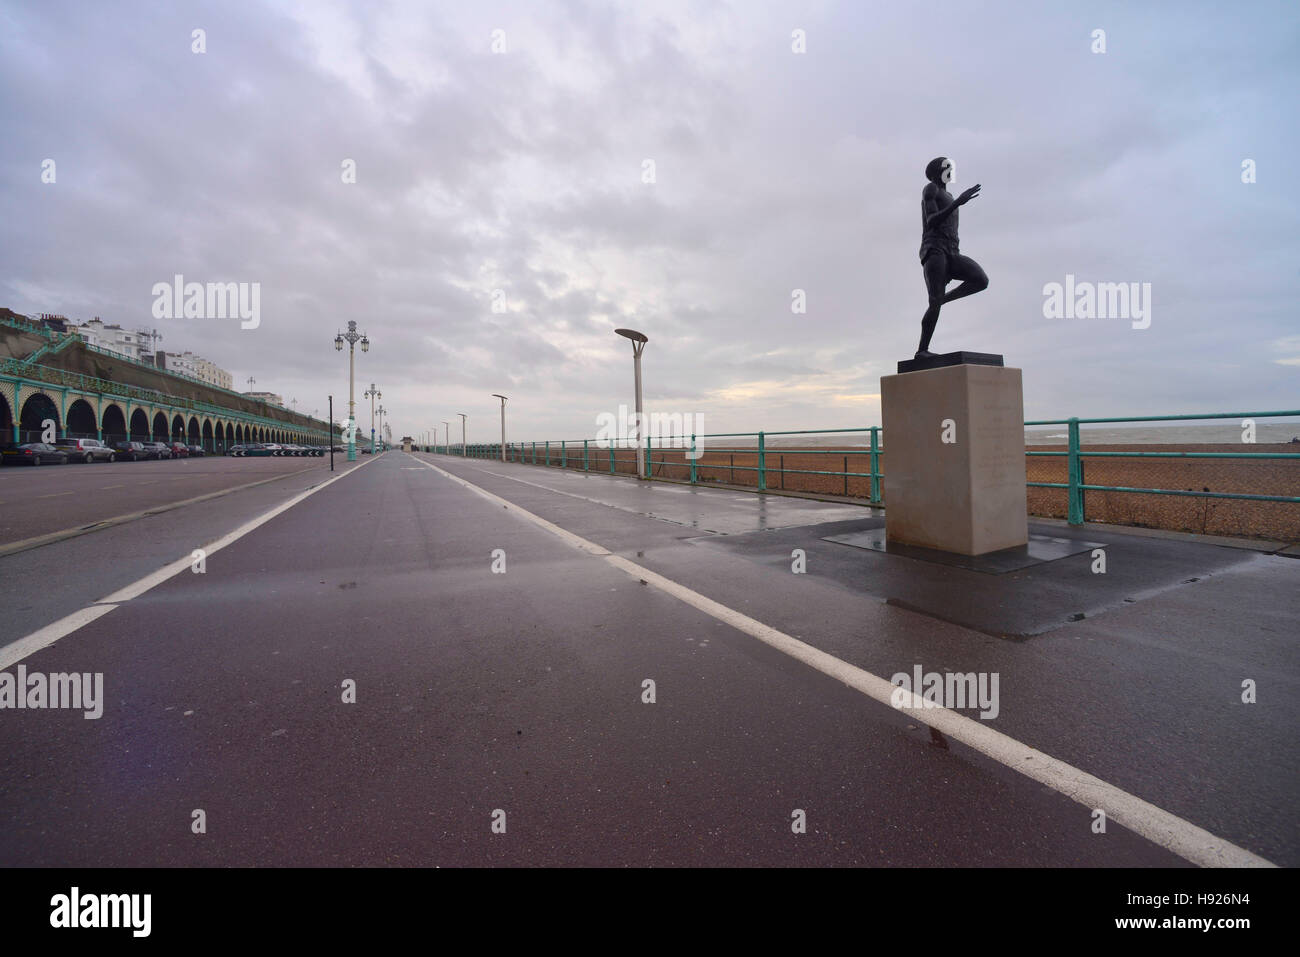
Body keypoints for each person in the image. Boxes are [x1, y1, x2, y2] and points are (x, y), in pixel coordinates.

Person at [916, 157, 988, 357]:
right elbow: (931, 221)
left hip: (952, 250)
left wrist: (957, 201)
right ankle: (922, 350)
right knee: (934, 301)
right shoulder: (931, 189)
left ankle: (942, 300)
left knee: (980, 280)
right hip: (934, 250)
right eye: (947, 168)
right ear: (937, 171)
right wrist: (959, 202)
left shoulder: (949, 194)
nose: (951, 171)